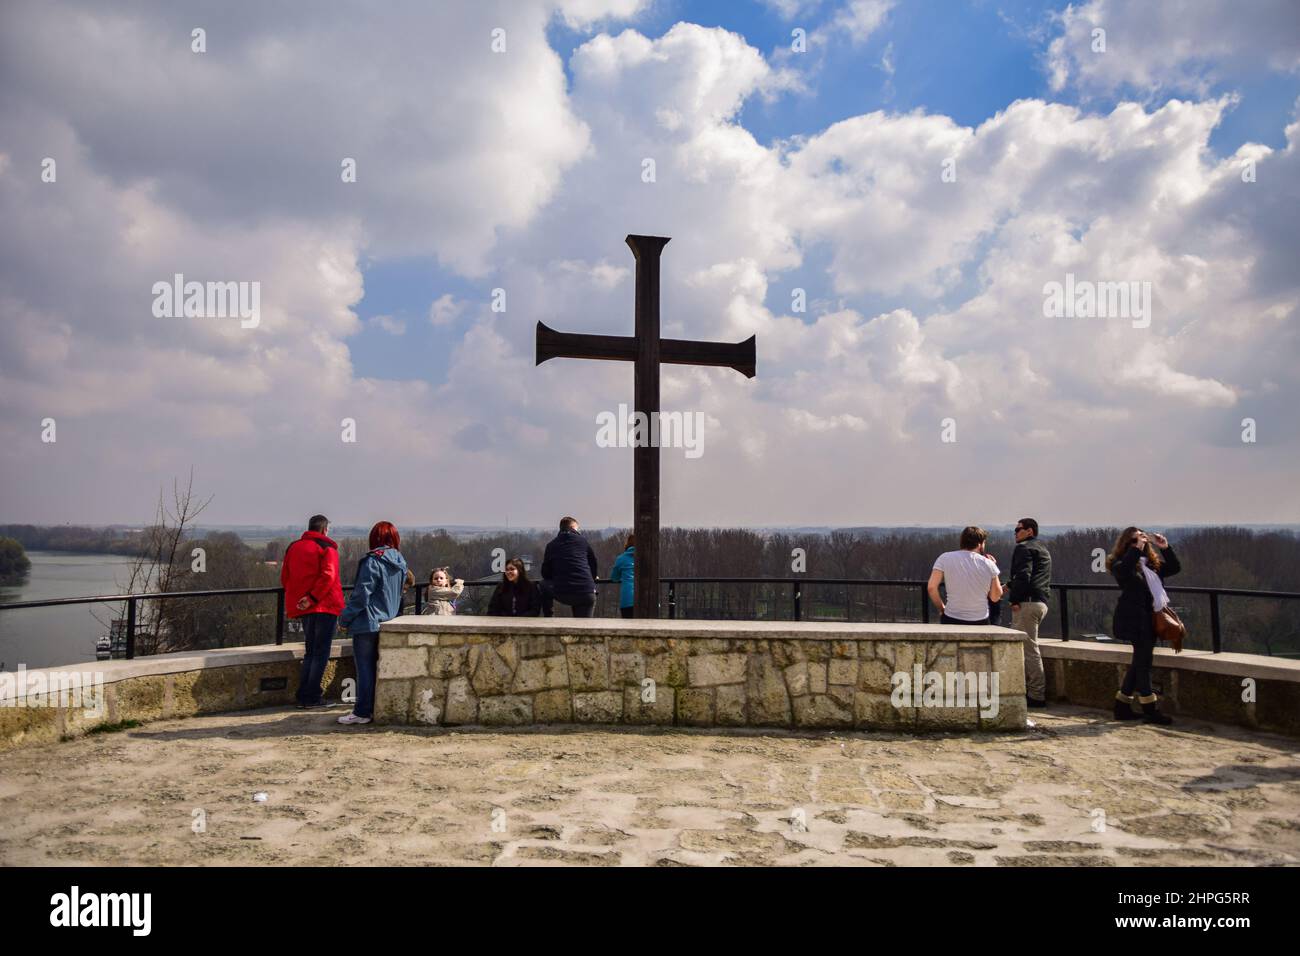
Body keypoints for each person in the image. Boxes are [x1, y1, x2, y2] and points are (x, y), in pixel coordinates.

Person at [1107, 528, 1180, 725]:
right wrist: (1136, 549)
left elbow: (1174, 568)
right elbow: (1124, 571)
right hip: (1133, 620)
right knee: (1144, 664)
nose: (1139, 543)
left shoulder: (1151, 565)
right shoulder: (1119, 564)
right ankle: (1150, 709)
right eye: (1133, 540)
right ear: (1126, 544)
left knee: (1139, 662)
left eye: (1141, 539)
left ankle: (1122, 707)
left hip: (1149, 619)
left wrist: (1165, 548)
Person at [338, 521, 408, 726]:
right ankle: (377, 708)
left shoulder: (373, 561)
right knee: (380, 667)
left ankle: (362, 711)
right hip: (389, 619)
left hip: (368, 622)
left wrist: (344, 619)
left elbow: (361, 596)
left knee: (365, 668)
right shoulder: (400, 561)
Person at [281, 515, 345, 708]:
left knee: (310, 652)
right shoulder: (327, 547)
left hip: (304, 607)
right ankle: (312, 697)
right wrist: (312, 598)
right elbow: (329, 576)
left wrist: (302, 600)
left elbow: (286, 577)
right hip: (324, 605)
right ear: (324, 529)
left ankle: (303, 695)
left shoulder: (293, 547)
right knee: (320, 653)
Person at [1007, 518, 1052, 708]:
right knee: (1030, 647)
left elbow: (1023, 576)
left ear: (1030, 531)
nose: (1015, 533)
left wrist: (1014, 599)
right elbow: (1033, 576)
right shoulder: (1042, 549)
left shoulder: (1023, 548)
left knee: (1029, 650)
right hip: (1040, 602)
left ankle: (1036, 695)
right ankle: (1034, 692)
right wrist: (1008, 585)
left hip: (1027, 603)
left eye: (1018, 529)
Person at [928, 526, 1003, 625]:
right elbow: (995, 596)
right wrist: (993, 568)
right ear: (980, 544)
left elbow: (931, 588)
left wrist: (942, 608)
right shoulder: (988, 563)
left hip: (951, 617)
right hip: (980, 619)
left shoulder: (944, 558)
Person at [540, 516, 598, 617]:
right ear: (573, 528)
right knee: (584, 625)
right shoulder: (583, 541)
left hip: (563, 591)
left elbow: (545, 573)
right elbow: (593, 563)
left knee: (543, 584)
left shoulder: (551, 545)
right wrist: (592, 579)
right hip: (586, 592)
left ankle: (549, 618)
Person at [609, 533, 635, 618]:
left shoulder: (621, 558)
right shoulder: (647, 557)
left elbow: (614, 578)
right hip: (647, 598)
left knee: (628, 624)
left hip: (628, 598)